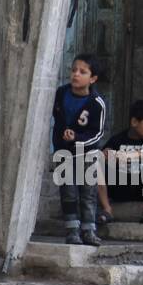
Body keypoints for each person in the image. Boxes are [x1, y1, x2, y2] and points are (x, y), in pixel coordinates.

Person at [51, 53, 108, 245]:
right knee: (68, 192)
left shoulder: (96, 103)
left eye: (82, 72)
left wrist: (78, 139)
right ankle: (72, 231)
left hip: (88, 153)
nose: (76, 75)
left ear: (92, 79)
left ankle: (89, 230)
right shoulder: (61, 93)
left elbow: (98, 133)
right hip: (63, 151)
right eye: (74, 70)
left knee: (88, 193)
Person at [98, 99, 143, 225]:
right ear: (135, 122)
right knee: (97, 167)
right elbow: (104, 154)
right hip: (119, 186)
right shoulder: (119, 138)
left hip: (141, 188)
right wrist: (118, 156)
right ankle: (107, 209)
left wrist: (136, 155)